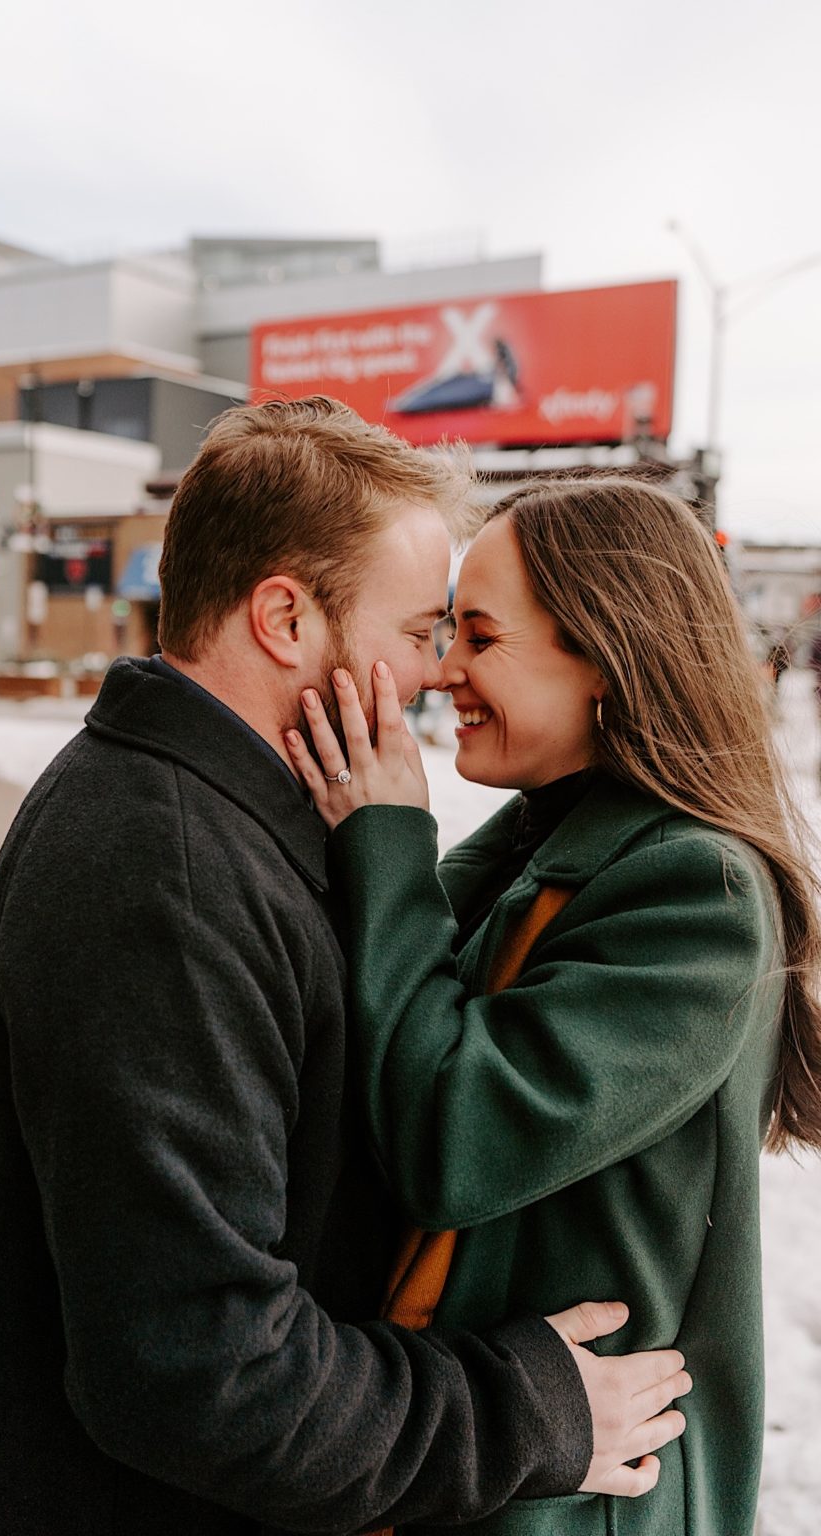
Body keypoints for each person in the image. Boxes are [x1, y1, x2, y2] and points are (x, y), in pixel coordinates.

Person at [0, 405, 691, 1535]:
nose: (434, 673)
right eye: (423, 627)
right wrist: (525, 1414)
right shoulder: (163, 876)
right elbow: (200, 1370)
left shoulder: (230, 827)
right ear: (284, 616)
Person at [291, 476, 821, 1536]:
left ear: (603, 663)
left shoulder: (696, 894)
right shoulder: (543, 845)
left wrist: (386, 843)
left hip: (584, 1502)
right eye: (445, 630)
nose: (442, 673)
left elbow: (452, 1135)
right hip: (502, 1460)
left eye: (479, 637)